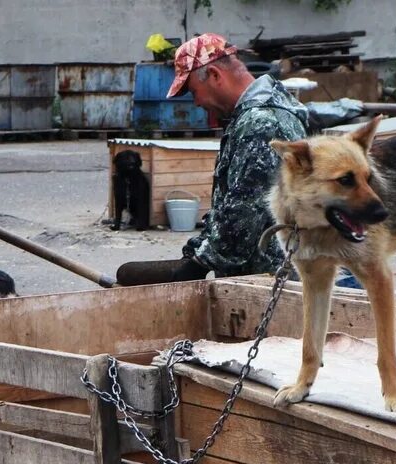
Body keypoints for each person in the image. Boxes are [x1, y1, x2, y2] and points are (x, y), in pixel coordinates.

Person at [114, 33, 308, 284]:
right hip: (254, 277)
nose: (196, 103)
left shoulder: (262, 124)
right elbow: (227, 206)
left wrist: (200, 263)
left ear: (215, 75)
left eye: (194, 92)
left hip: (268, 282)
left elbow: (244, 214)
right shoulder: (253, 116)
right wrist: (196, 250)